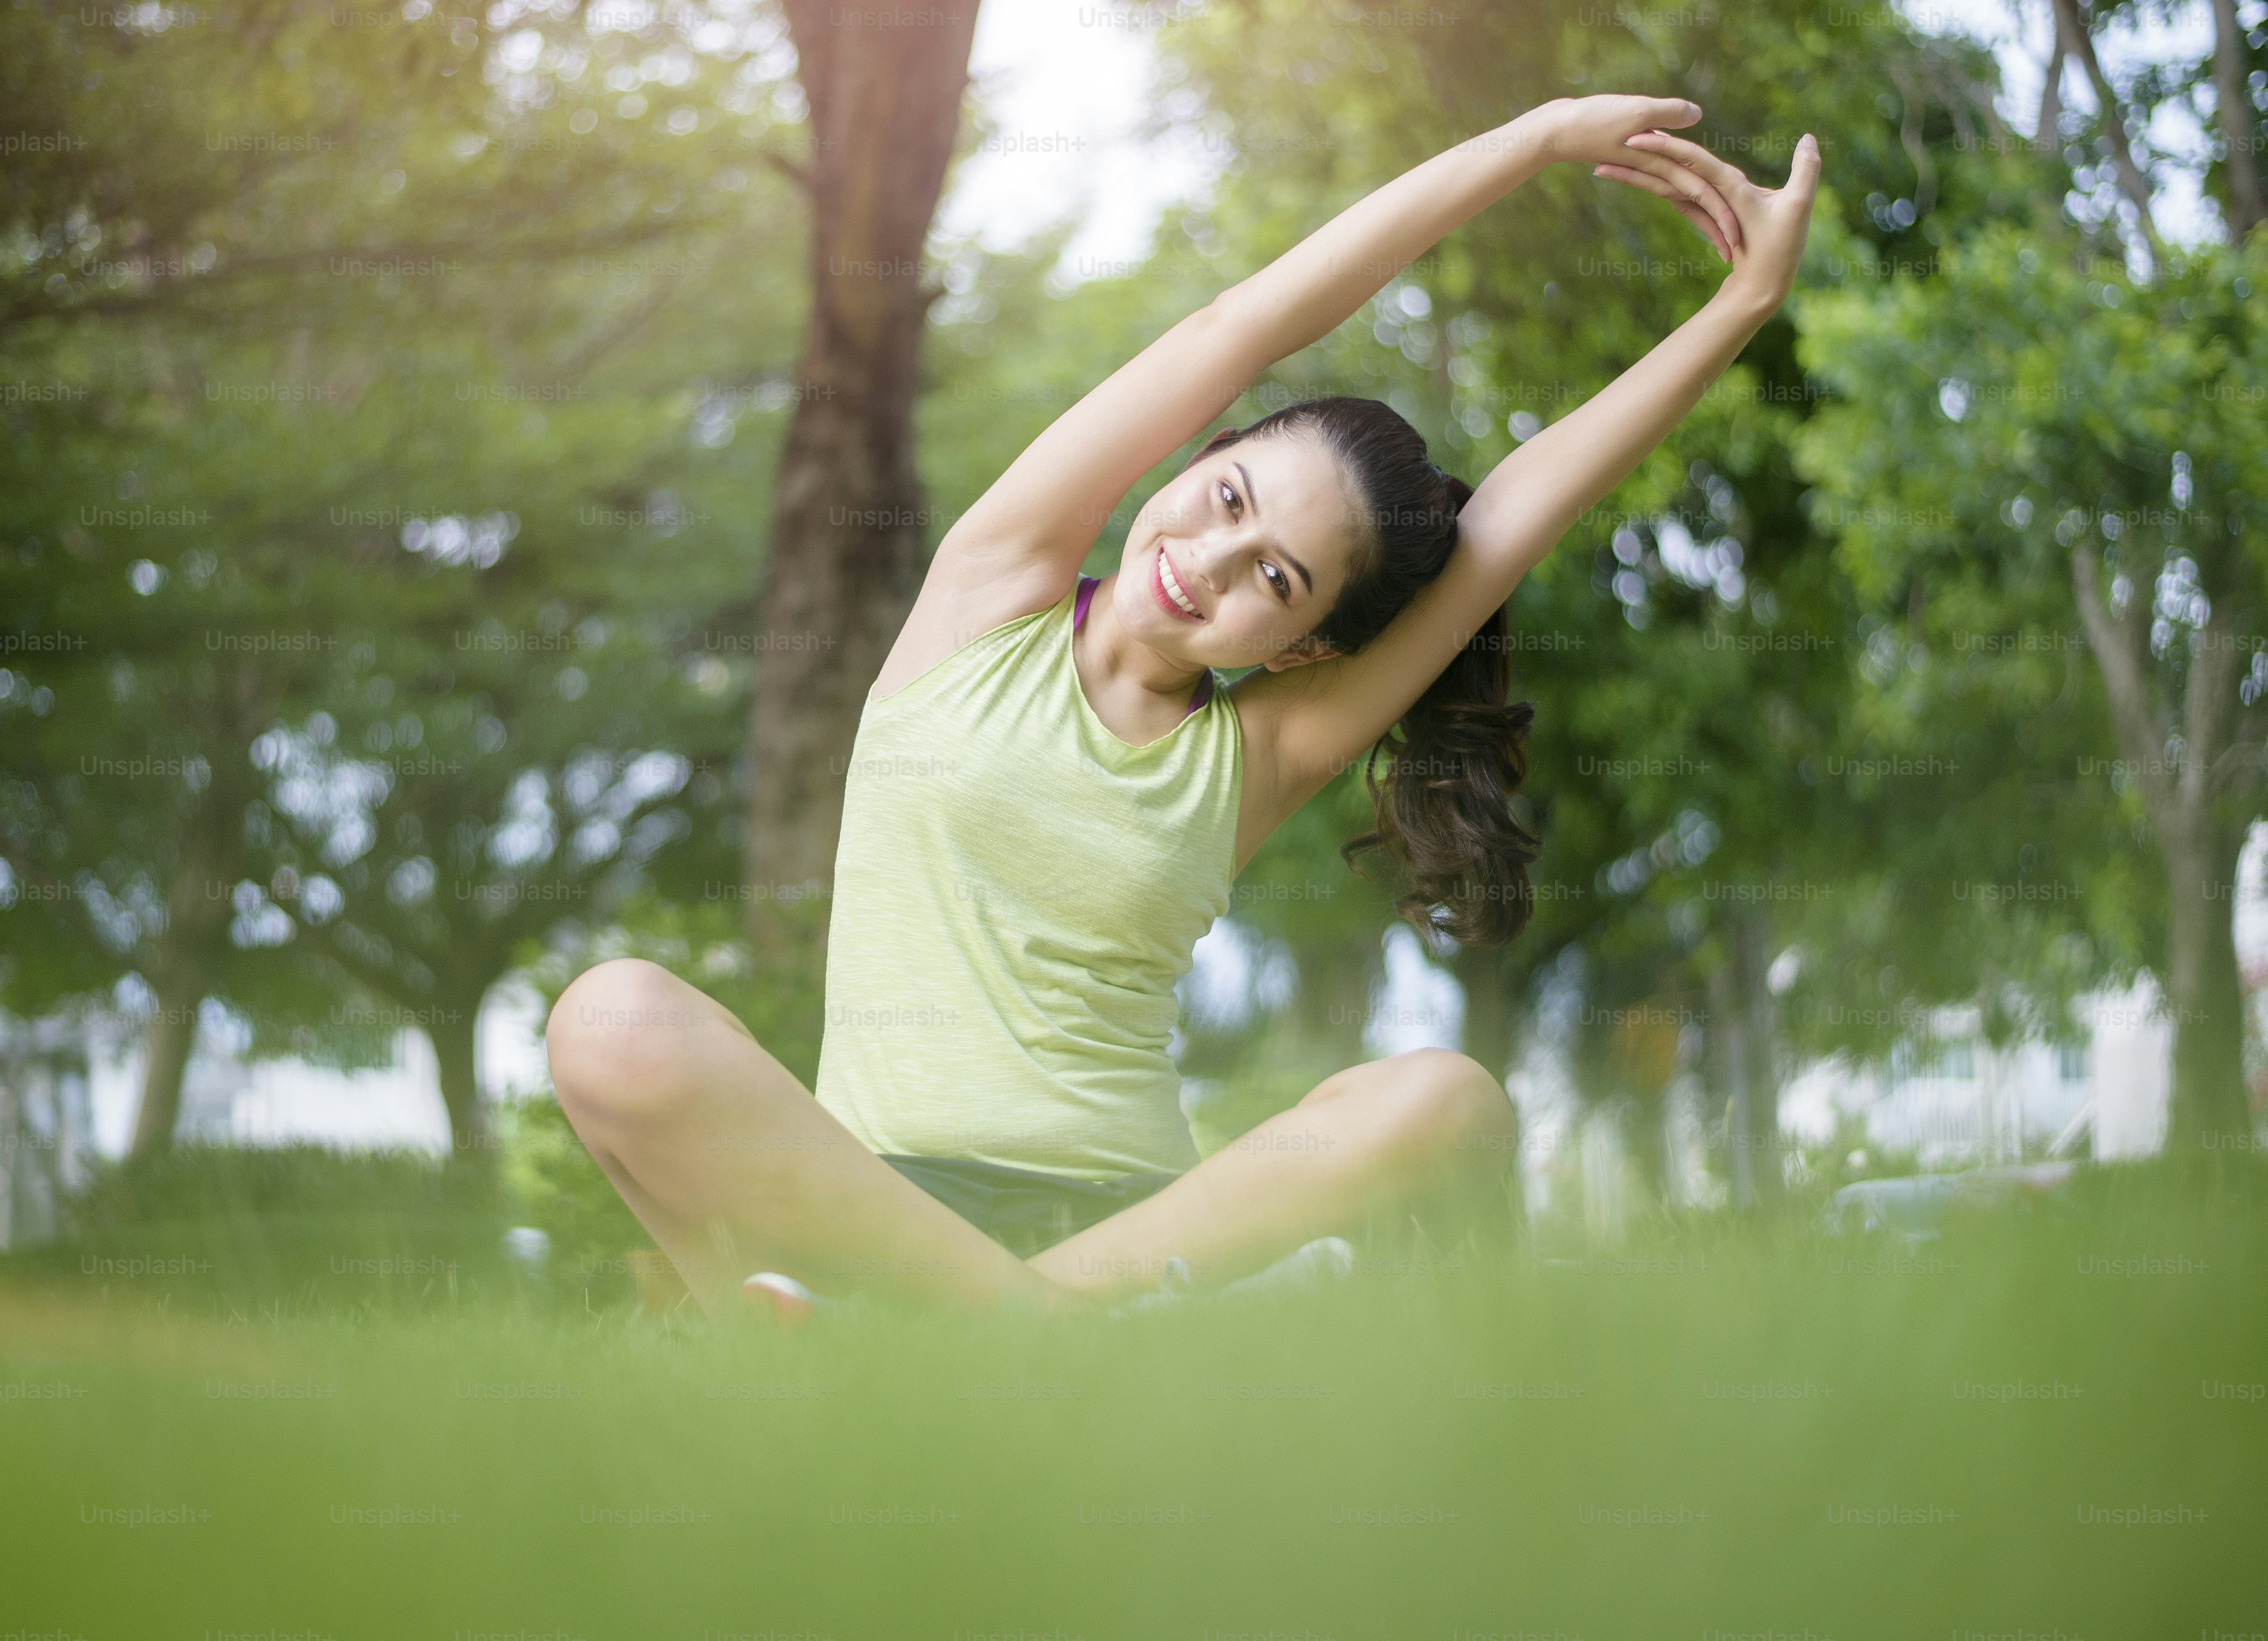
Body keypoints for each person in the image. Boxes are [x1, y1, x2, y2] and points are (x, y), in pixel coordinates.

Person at [547, 95, 1821, 1321]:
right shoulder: (989, 589)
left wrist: (1742, 304)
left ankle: (949, 1330)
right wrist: (1533, 138)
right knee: (610, 1017)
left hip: (1133, 1236)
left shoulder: (1257, 752)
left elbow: (1514, 519)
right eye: (1227, 500)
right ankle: (1011, 1328)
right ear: (1199, 457)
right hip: (873, 1212)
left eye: (1275, 578)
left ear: (1303, 644)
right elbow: (1241, 324)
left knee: (1450, 1098)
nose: (1208, 562)